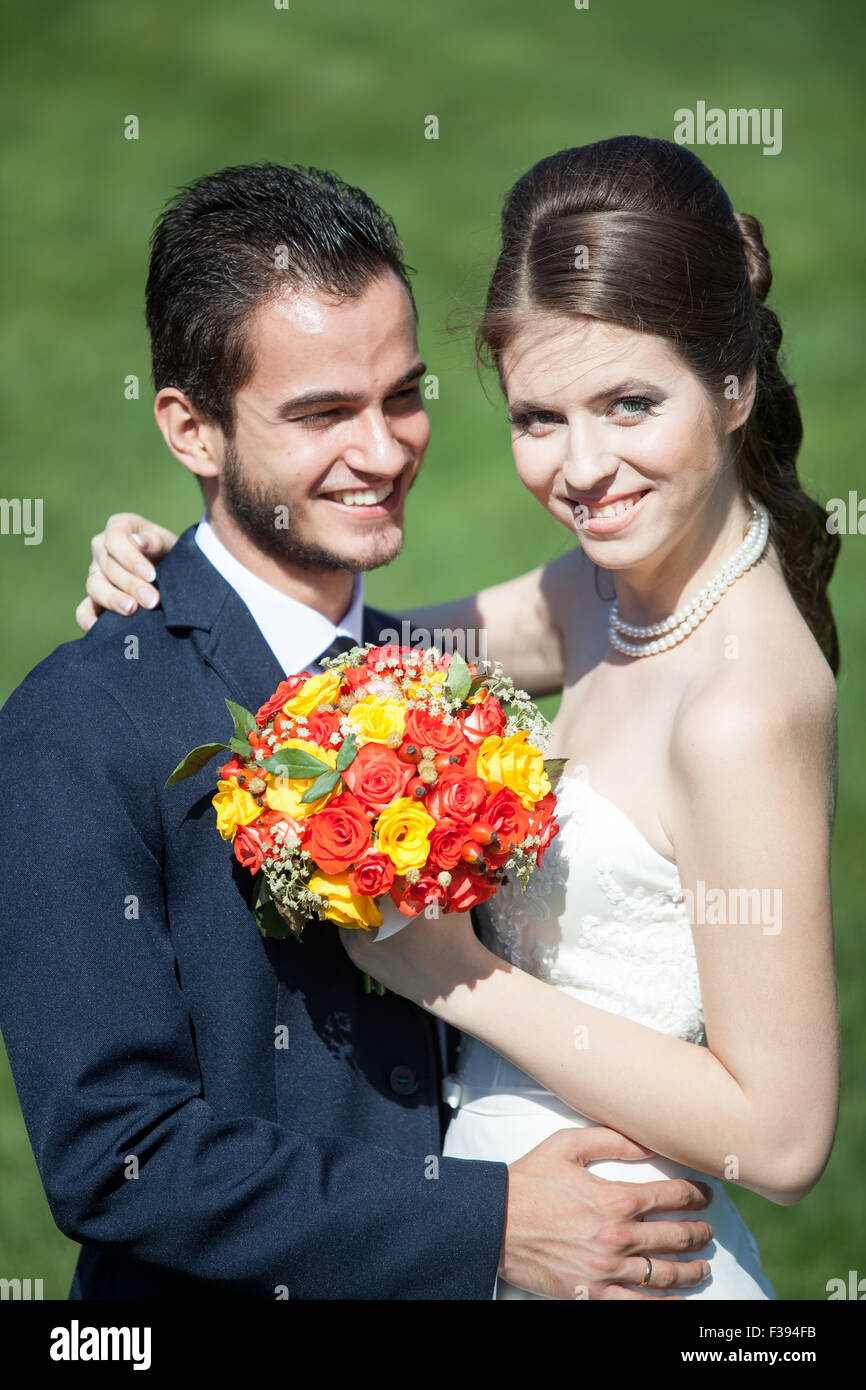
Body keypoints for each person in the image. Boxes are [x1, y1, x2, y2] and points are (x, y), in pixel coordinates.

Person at [81, 138, 841, 1300]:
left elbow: (780, 1140)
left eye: (630, 403)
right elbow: (352, 663)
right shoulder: (598, 594)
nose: (584, 469)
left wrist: (448, 975)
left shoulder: (737, 708)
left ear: (730, 385)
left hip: (620, 1264)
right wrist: (178, 574)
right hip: (488, 1234)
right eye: (540, 417)